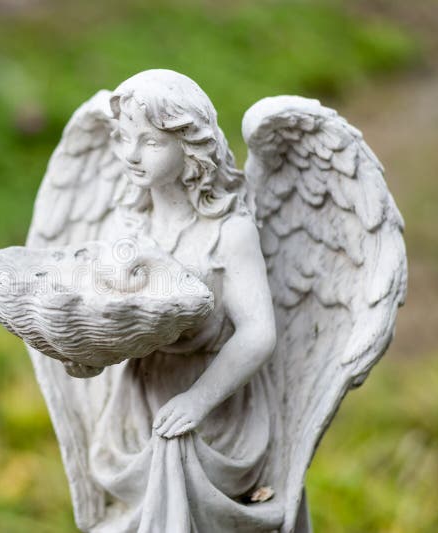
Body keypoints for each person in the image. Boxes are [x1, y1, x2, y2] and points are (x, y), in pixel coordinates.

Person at [86, 69, 284, 532]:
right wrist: (85, 353)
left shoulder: (228, 232)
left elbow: (258, 333)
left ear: (191, 147)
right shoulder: (126, 227)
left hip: (216, 404)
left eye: (151, 143)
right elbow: (103, 314)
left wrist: (198, 401)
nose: (130, 155)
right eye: (123, 138)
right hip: (139, 399)